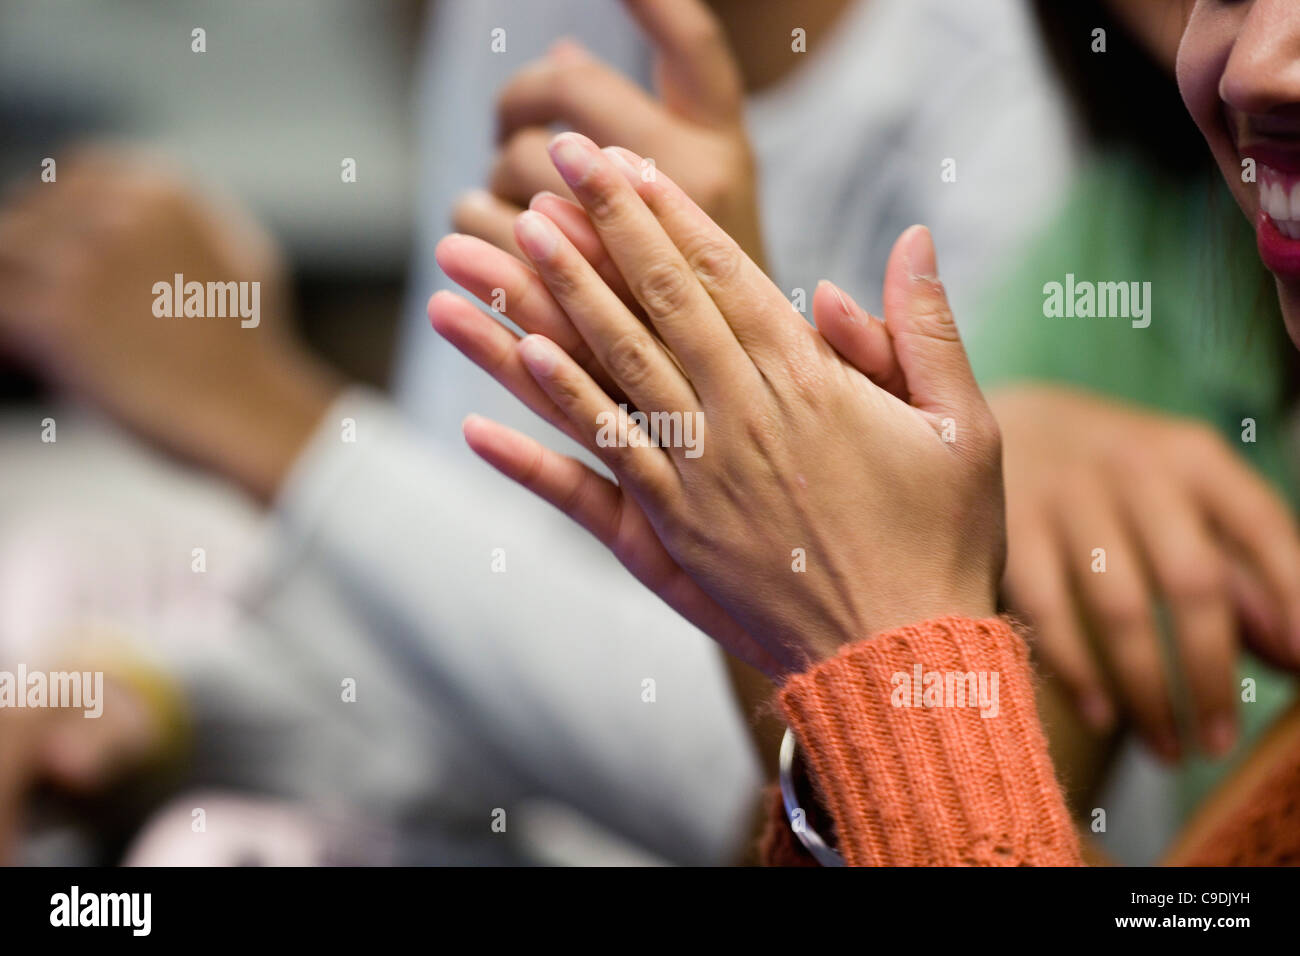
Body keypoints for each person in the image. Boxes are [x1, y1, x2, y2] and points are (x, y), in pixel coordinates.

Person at [0, 0, 1076, 863]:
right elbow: (468, 660)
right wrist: (164, 705)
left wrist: (272, 423)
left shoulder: (1022, 84)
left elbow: (790, 779)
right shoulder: (517, 23)